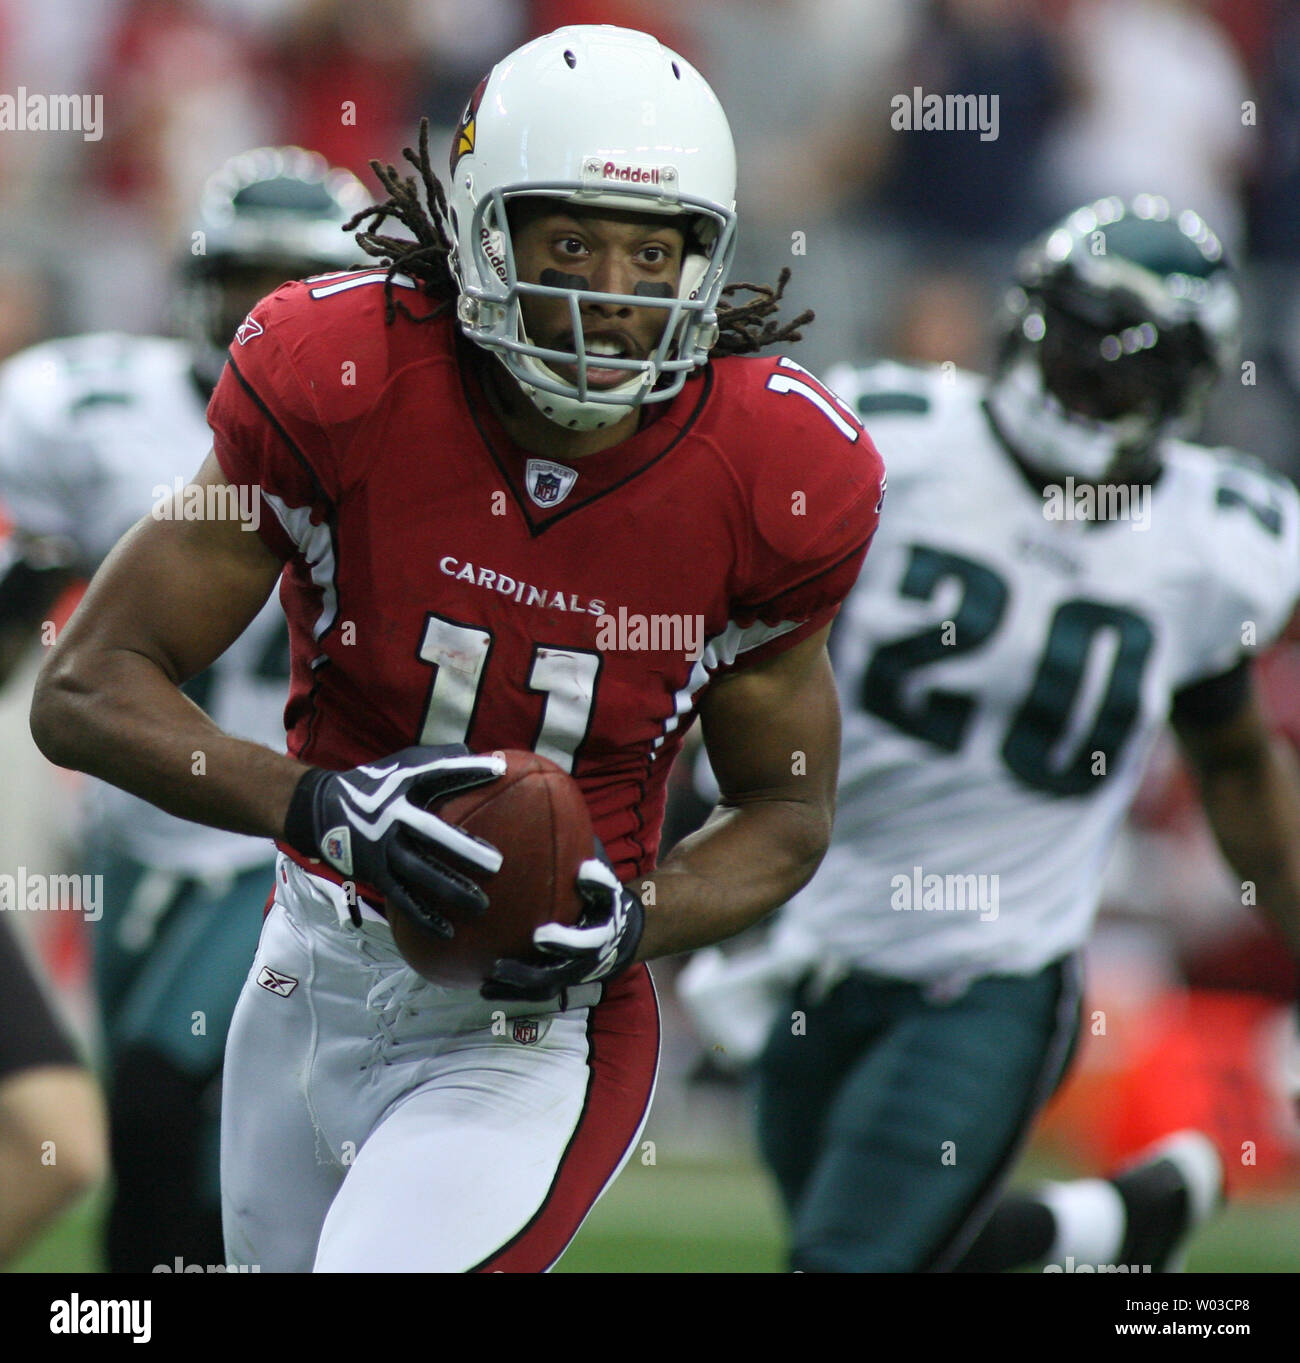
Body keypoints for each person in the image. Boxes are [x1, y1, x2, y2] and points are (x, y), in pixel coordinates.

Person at [29, 25, 886, 1273]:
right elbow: (85, 687)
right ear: (487, 230)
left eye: (654, 251)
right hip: (307, 963)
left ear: (706, 260)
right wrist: (325, 806)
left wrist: (627, 922)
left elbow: (786, 813)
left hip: (531, 1025)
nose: (611, 291)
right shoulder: (349, 373)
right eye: (572, 241)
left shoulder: (773, 472)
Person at [680, 194, 1300, 1272]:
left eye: (1116, 361)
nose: (1078, 376)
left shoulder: (1214, 542)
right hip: (808, 933)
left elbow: (1237, 759)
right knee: (896, 1243)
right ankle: (1095, 1236)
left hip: (996, 967)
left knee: (845, 1260)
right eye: (1068, 337)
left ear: (1181, 383)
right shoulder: (890, 441)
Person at [0, 145, 370, 1271]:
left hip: (283, 822)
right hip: (133, 818)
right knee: (133, 1123)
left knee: (172, 1091)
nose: (257, 313)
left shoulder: (387, 431)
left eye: (287, 286)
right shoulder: (89, 401)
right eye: (239, 279)